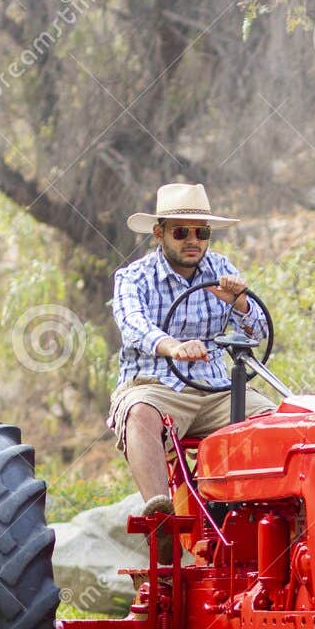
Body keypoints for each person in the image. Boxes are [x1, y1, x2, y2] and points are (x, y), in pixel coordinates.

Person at [107, 182, 276, 516]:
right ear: (159, 233)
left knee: (275, 422)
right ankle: (161, 516)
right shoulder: (133, 277)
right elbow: (133, 326)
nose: (193, 241)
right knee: (139, 414)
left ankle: (257, 516)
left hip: (216, 389)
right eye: (181, 232)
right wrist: (173, 347)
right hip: (155, 387)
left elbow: (260, 332)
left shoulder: (222, 270)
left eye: (202, 233)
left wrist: (241, 303)